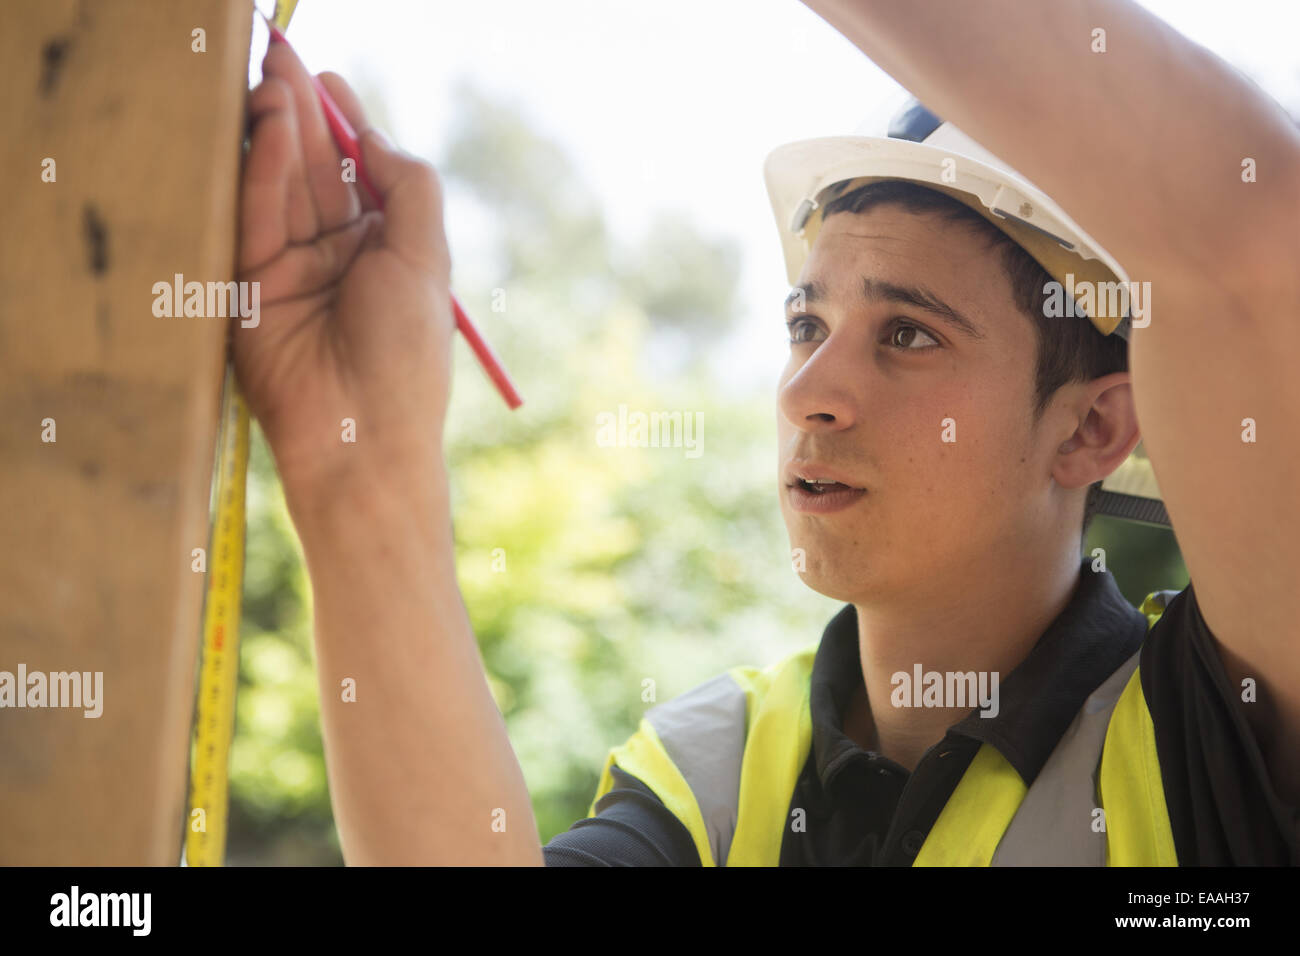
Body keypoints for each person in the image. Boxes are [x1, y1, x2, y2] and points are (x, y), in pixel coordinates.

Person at [237, 0, 1299, 865]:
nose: (807, 391)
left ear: (1094, 426)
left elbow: (1251, 236)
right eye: (806, 323)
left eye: (908, 334)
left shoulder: (1213, 733)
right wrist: (355, 469)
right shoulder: (713, 774)